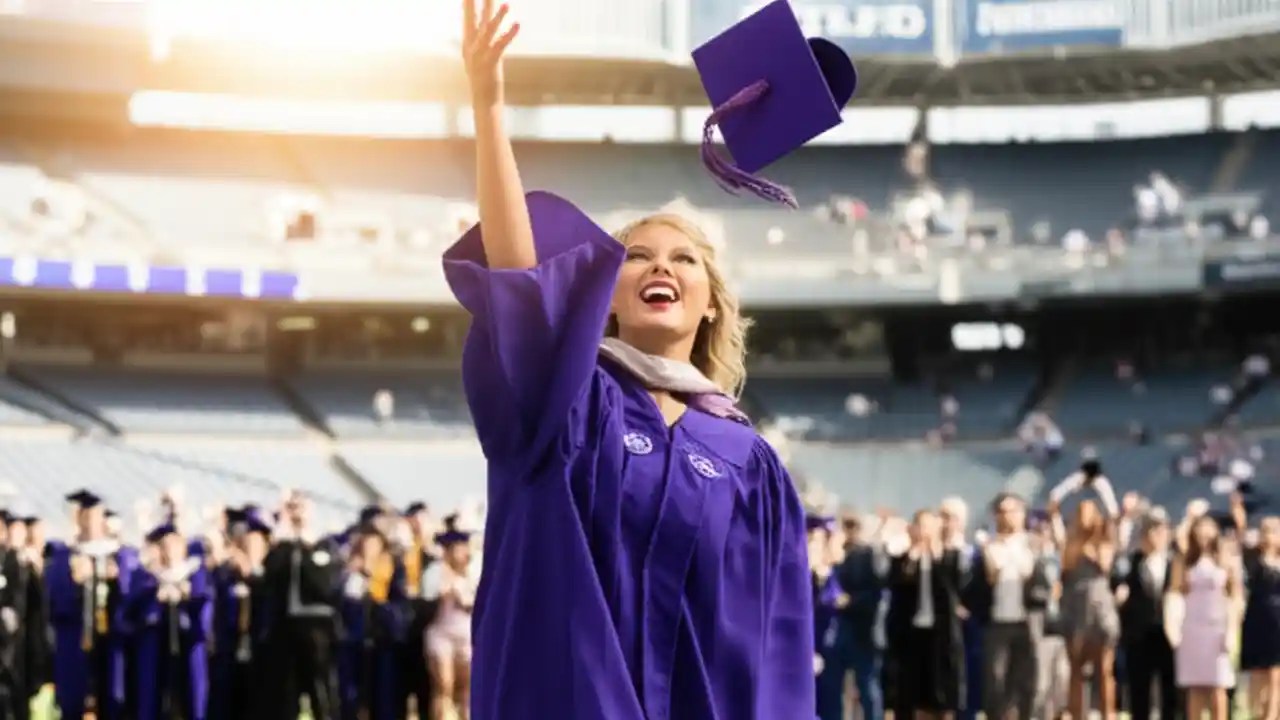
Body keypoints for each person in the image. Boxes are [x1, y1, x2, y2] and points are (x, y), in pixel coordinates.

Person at [444, 0, 814, 716]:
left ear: (710, 300)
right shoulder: (571, 400)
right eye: (636, 255)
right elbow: (519, 282)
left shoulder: (749, 464)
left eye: (683, 258)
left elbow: (776, 651)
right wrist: (489, 105)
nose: (658, 265)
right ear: (605, 295)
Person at [1050, 461, 1122, 720]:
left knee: (1104, 668)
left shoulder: (1105, 543)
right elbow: (1053, 503)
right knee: (1076, 668)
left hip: (1099, 607)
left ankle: (1108, 715)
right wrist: (1075, 482)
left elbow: (1114, 513)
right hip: (1074, 605)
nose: (1083, 515)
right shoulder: (1066, 544)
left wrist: (1100, 484)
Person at [126, 523, 212, 720]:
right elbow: (132, 614)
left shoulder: (196, 574)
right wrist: (156, 600)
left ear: (183, 546)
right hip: (157, 650)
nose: (169, 551)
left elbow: (206, 611)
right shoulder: (148, 578)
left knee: (191, 701)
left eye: (174, 544)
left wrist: (187, 596)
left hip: (188, 648)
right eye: (164, 546)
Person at [887, 510, 967, 720]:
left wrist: (934, 555)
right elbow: (898, 586)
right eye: (920, 526)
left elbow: (950, 591)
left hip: (941, 636)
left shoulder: (951, 558)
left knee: (941, 695)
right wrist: (913, 555)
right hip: (912, 634)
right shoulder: (903, 560)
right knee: (910, 694)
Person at [1171, 514, 1242, 720]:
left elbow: (1235, 595)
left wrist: (1231, 629)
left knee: (1218, 685)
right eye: (1199, 527)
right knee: (1195, 687)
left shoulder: (1226, 558)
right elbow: (1175, 592)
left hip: (1216, 627)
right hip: (1193, 627)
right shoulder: (1184, 559)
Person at [976, 493, 1040, 720]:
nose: (1007, 517)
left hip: (1027, 621)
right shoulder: (988, 546)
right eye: (1002, 512)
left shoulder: (1034, 544)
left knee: (1025, 682)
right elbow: (980, 584)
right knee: (995, 681)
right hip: (997, 622)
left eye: (1013, 511)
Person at [1116, 508, 1178, 720]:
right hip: (1138, 636)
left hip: (1167, 635)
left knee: (1169, 690)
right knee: (1138, 691)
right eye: (1151, 531)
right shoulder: (1134, 562)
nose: (1156, 537)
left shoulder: (1174, 563)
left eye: (1160, 531)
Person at [424, 519, 476, 720]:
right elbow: (429, 598)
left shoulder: (473, 572)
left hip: (466, 633)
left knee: (467, 688)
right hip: (441, 632)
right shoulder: (436, 572)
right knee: (444, 685)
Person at [1239, 514, 1280, 720]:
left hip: (1278, 622)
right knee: (1258, 673)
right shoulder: (1254, 559)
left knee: (1276, 674)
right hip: (1258, 620)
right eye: (1266, 531)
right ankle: (1258, 714)